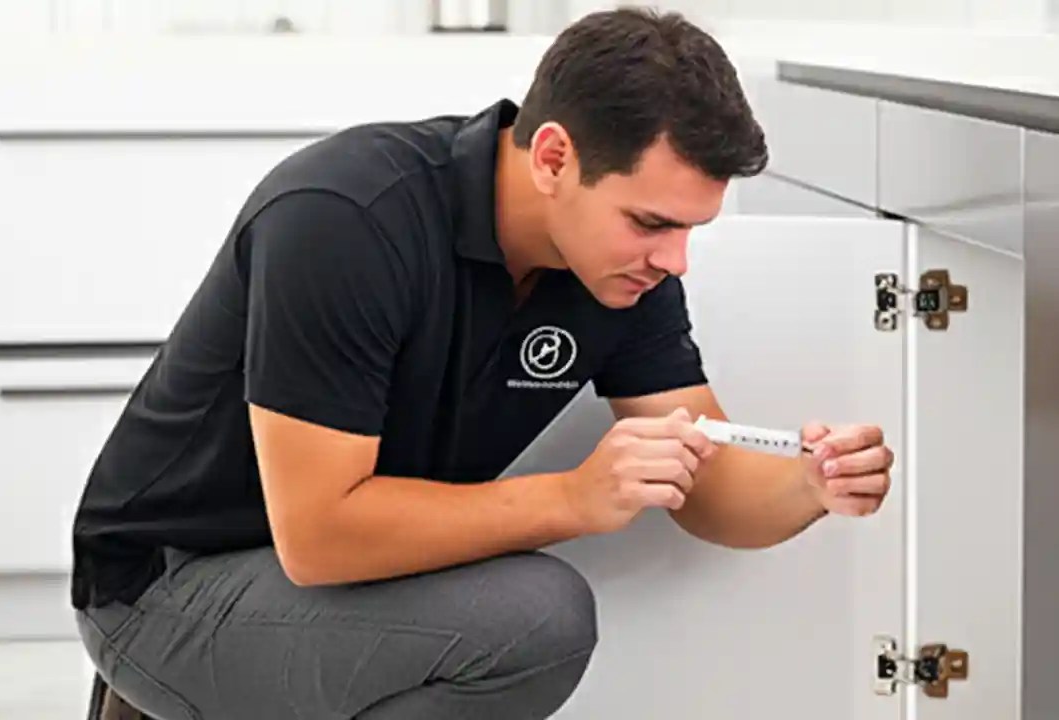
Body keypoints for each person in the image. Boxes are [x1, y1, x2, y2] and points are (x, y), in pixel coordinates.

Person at [71, 7, 895, 719]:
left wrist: (809, 486)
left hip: (333, 581)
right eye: (651, 222)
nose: (675, 261)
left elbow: (707, 479)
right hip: (165, 588)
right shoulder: (345, 217)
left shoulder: (619, 274)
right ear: (551, 159)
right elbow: (319, 536)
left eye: (690, 230)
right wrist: (576, 497)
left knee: (532, 614)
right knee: (536, 618)